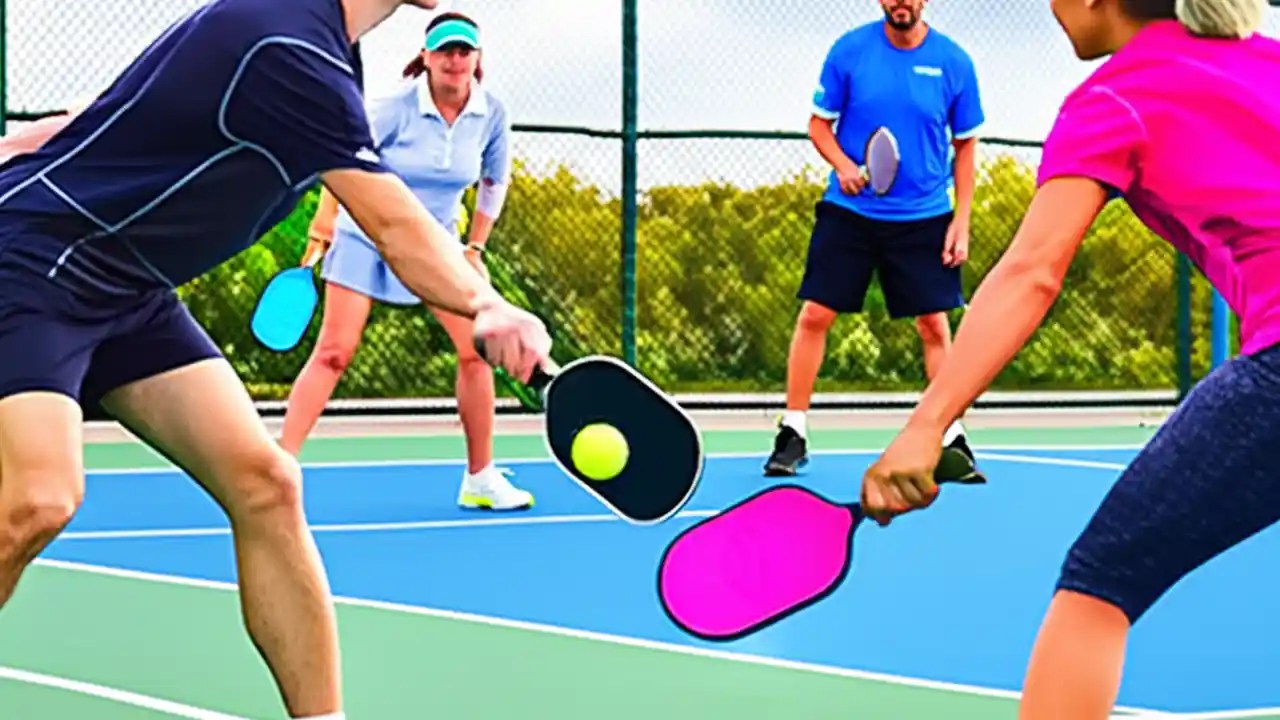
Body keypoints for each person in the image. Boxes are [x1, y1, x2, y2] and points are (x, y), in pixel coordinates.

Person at [0, 0, 552, 718]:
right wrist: (486, 304)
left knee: (268, 484)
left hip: (129, 289)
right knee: (38, 497)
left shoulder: (309, 39)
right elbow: (390, 221)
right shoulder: (287, 47)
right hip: (40, 263)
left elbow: (105, 113)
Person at [858, 0, 1277, 718]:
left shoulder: (1115, 99)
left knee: (1102, 582)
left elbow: (1032, 273)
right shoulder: (1267, 62)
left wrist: (927, 425)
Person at [279, 12, 534, 512]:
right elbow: (342, 158)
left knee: (475, 352)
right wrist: (325, 223)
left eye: (464, 51)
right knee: (335, 351)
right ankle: (278, 467)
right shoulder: (394, 108)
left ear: (477, 60)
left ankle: (480, 477)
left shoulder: (492, 114)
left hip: (436, 244)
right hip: (364, 233)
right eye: (444, 51)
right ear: (426, 58)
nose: (454, 60)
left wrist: (474, 249)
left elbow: (493, 183)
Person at [765, 0, 985, 477]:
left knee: (933, 324)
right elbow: (819, 125)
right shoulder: (849, 52)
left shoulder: (954, 62)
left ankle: (951, 436)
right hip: (851, 212)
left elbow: (965, 145)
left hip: (925, 215)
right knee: (815, 314)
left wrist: (961, 220)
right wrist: (843, 167)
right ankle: (793, 430)